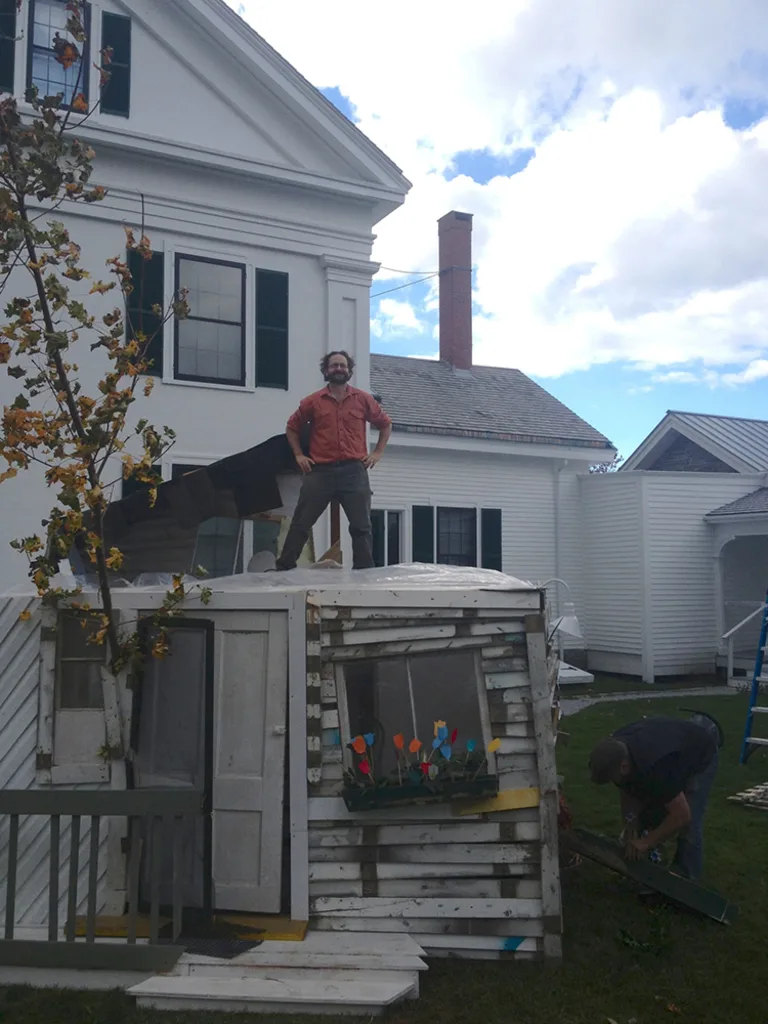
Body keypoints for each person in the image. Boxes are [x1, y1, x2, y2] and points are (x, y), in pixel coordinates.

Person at [275, 350, 392, 571]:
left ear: (349, 370)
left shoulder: (363, 399)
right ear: (326, 370)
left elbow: (385, 424)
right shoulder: (313, 401)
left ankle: (364, 574)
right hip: (320, 472)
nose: (338, 369)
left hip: (354, 471)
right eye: (334, 366)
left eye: (342, 366)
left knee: (362, 527)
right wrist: (299, 455)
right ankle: (283, 569)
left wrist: (377, 453)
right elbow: (292, 427)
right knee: (301, 522)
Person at [588, 714, 721, 881]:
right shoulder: (616, 750)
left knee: (690, 822)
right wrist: (630, 825)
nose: (613, 783)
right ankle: (651, 863)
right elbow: (627, 789)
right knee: (650, 812)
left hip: (700, 753)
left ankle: (687, 878)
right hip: (672, 748)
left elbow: (682, 815)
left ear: (623, 766)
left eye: (612, 778)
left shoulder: (658, 769)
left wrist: (646, 842)